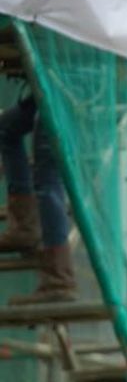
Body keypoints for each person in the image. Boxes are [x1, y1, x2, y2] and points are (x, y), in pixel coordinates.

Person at [0, 83, 76, 304]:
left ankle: (59, 279)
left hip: (63, 84)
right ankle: (24, 228)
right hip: (48, 82)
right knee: (6, 129)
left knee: (47, 178)